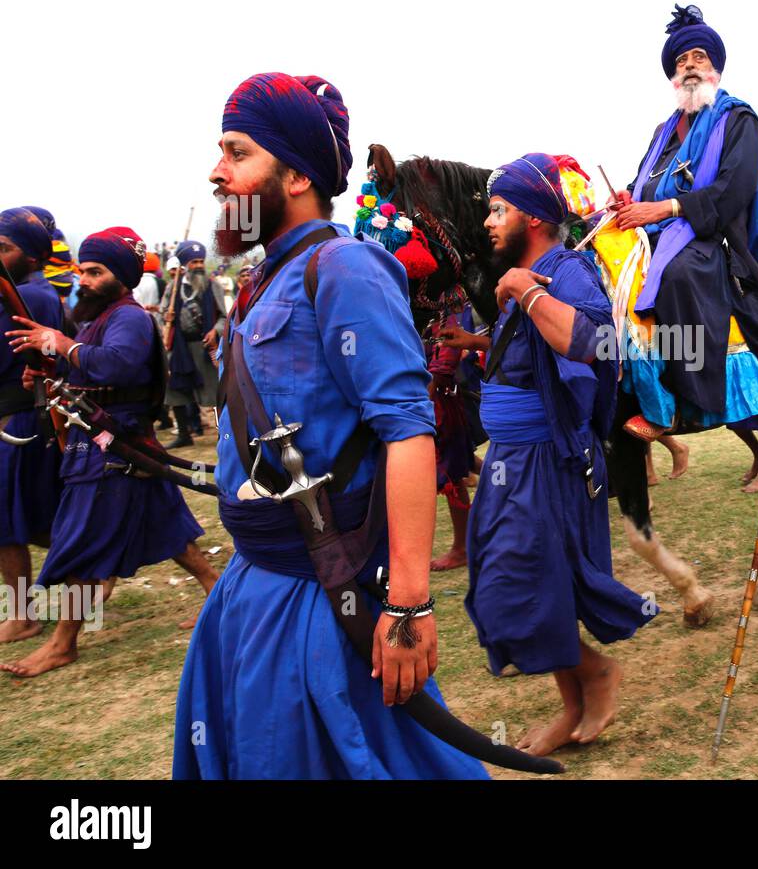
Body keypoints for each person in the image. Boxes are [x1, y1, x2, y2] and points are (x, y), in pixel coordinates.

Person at [171, 72, 488, 779]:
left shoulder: (343, 268)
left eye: (238, 151)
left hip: (320, 591)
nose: (217, 171)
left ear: (296, 176)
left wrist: (407, 608)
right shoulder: (263, 281)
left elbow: (408, 433)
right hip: (251, 586)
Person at [456, 153, 657, 756]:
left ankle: (585, 688)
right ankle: (585, 684)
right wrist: (478, 339)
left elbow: (596, 340)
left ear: (537, 216)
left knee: (527, 582)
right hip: (509, 460)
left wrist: (527, 294)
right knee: (513, 583)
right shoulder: (529, 270)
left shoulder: (564, 270)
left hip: (549, 457)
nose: (489, 222)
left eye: (500, 209)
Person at [2, 227, 217, 677]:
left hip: (113, 448)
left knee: (80, 544)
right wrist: (48, 374)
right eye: (82, 269)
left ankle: (62, 643)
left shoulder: (130, 318)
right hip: (107, 446)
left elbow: (117, 364)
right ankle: (217, 592)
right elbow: (87, 366)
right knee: (170, 532)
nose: (83, 279)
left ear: (120, 277)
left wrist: (63, 345)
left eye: (96, 271)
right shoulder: (97, 317)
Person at [608, 4, 758, 439]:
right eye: (682, 61)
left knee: (680, 274)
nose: (690, 66)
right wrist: (629, 198)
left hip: (717, 238)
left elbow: (734, 189)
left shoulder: (740, 120)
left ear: (715, 67)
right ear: (674, 77)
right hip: (656, 234)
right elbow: (649, 182)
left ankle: (685, 403)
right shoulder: (664, 130)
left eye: (699, 57)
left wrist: (664, 209)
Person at [0, 209, 65, 644]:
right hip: (18, 416)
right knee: (30, 519)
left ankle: (23, 614)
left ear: (33, 255)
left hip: (23, 417)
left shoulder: (32, 297)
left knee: (15, 522)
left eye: (5, 247)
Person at [160, 240, 226, 448]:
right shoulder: (173, 286)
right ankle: (184, 435)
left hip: (204, 346)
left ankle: (223, 434)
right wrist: (167, 315)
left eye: (201, 261)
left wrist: (215, 331)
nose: (198, 265)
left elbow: (225, 317)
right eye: (194, 261)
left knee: (214, 392)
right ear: (184, 264)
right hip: (180, 347)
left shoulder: (212, 285)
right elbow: (164, 314)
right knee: (176, 391)